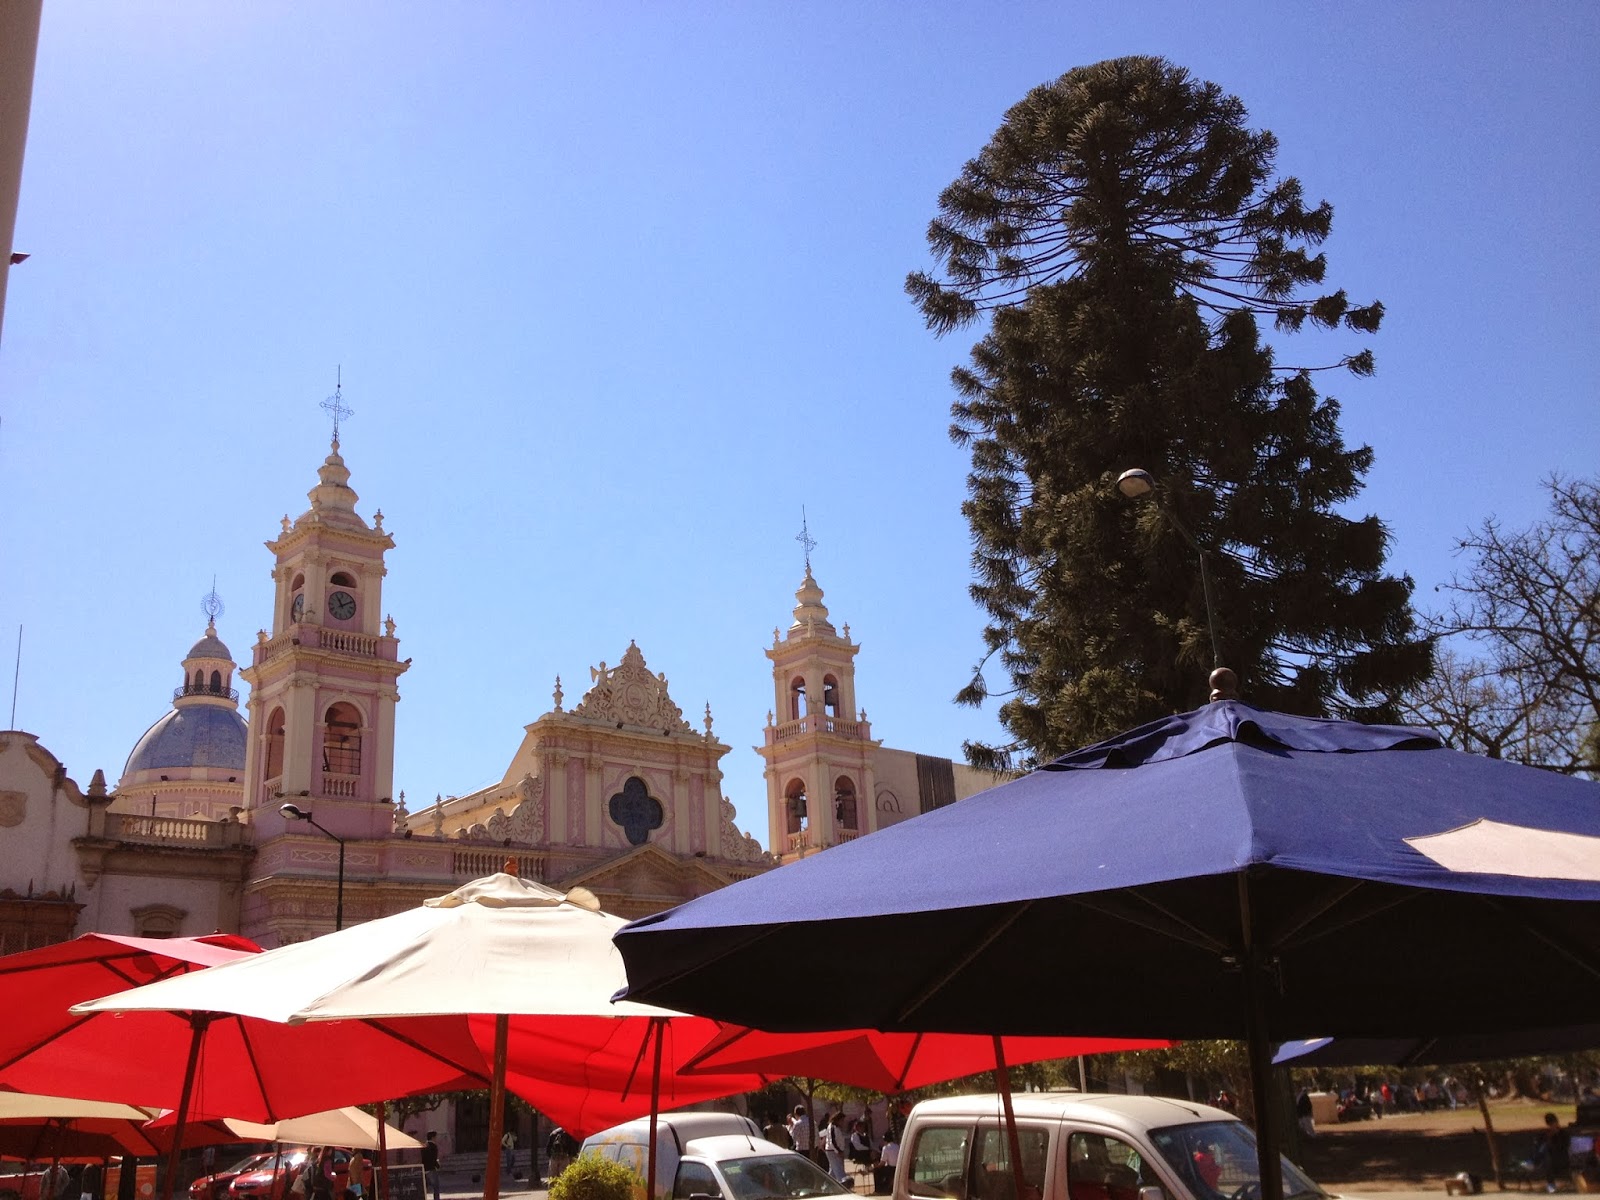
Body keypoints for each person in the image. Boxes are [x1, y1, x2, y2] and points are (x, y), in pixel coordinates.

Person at [1535, 1112, 1571, 1194]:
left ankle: (1553, 1185)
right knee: (1547, 1160)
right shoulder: (1546, 1135)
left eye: (1553, 1123)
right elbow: (1541, 1147)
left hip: (1562, 1158)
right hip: (1550, 1160)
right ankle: (1551, 1186)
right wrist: (1549, 1138)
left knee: (1548, 1159)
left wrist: (1556, 1136)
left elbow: (1565, 1146)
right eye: (1550, 1124)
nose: (1552, 1126)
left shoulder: (1563, 1133)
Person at [821, 1113, 848, 1184]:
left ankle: (826, 1186)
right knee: (838, 1169)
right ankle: (843, 1183)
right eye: (842, 1120)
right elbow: (832, 1141)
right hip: (832, 1151)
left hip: (835, 1150)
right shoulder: (832, 1127)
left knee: (833, 1171)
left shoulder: (837, 1128)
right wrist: (838, 1151)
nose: (843, 1122)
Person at [421, 1132, 441, 1200]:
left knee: (425, 1187)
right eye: (436, 1137)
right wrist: (438, 1165)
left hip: (424, 1169)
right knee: (436, 1187)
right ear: (433, 1137)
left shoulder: (424, 1145)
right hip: (431, 1169)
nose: (436, 1138)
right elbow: (433, 1158)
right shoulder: (433, 1146)